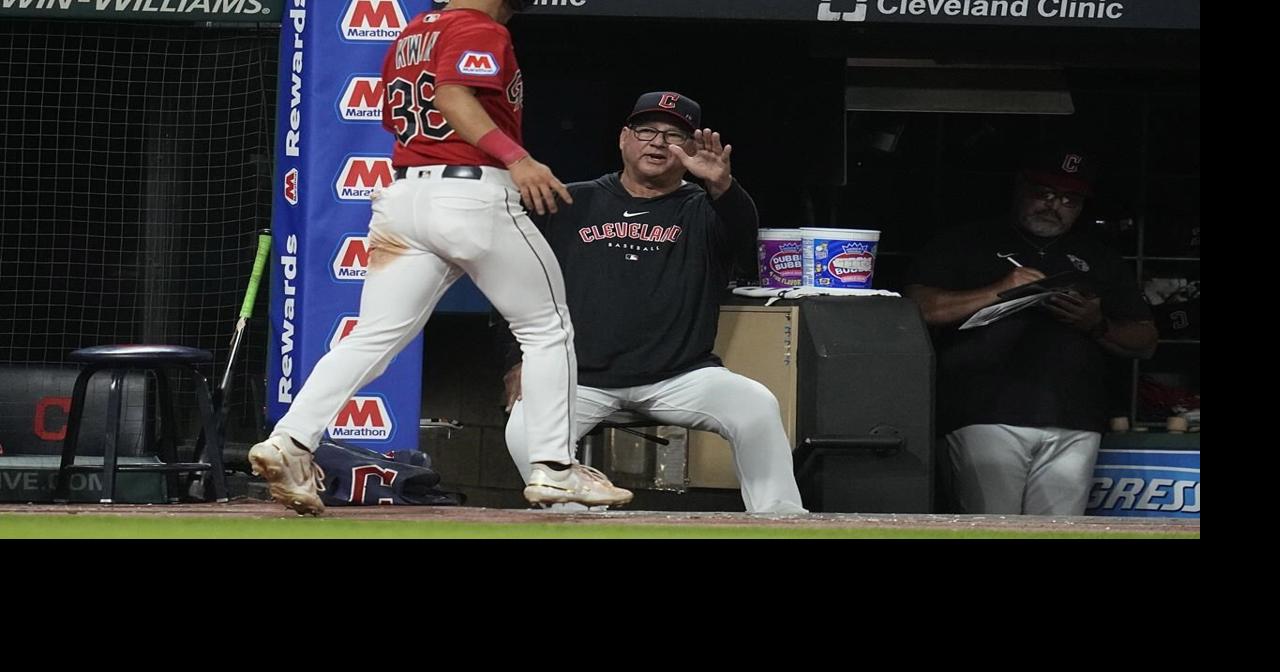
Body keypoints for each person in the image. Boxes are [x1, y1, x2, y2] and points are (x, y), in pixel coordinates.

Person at [249, 0, 632, 515]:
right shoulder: (475, 27)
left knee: (373, 337)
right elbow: (452, 95)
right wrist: (518, 158)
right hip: (469, 192)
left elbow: (400, 116)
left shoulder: (410, 34)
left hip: (404, 199)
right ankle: (557, 470)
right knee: (547, 328)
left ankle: (291, 441)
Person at [501, 91, 807, 514]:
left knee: (755, 406)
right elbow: (517, 282)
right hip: (579, 376)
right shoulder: (569, 201)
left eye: (674, 135)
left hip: (678, 375)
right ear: (624, 138)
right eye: (647, 130)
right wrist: (521, 360)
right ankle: (580, 522)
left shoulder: (706, 210)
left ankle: (781, 520)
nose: (658, 143)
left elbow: (743, 238)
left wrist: (722, 185)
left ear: (691, 149)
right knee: (524, 432)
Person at [903, 145, 1158, 516]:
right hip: (984, 414)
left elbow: (1146, 339)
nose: (1054, 206)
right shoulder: (967, 241)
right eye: (1045, 193)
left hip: (1075, 419)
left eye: (1069, 199)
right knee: (991, 529)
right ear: (1021, 187)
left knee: (1060, 533)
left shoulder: (1098, 257)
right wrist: (1000, 289)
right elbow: (916, 308)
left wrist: (1096, 324)